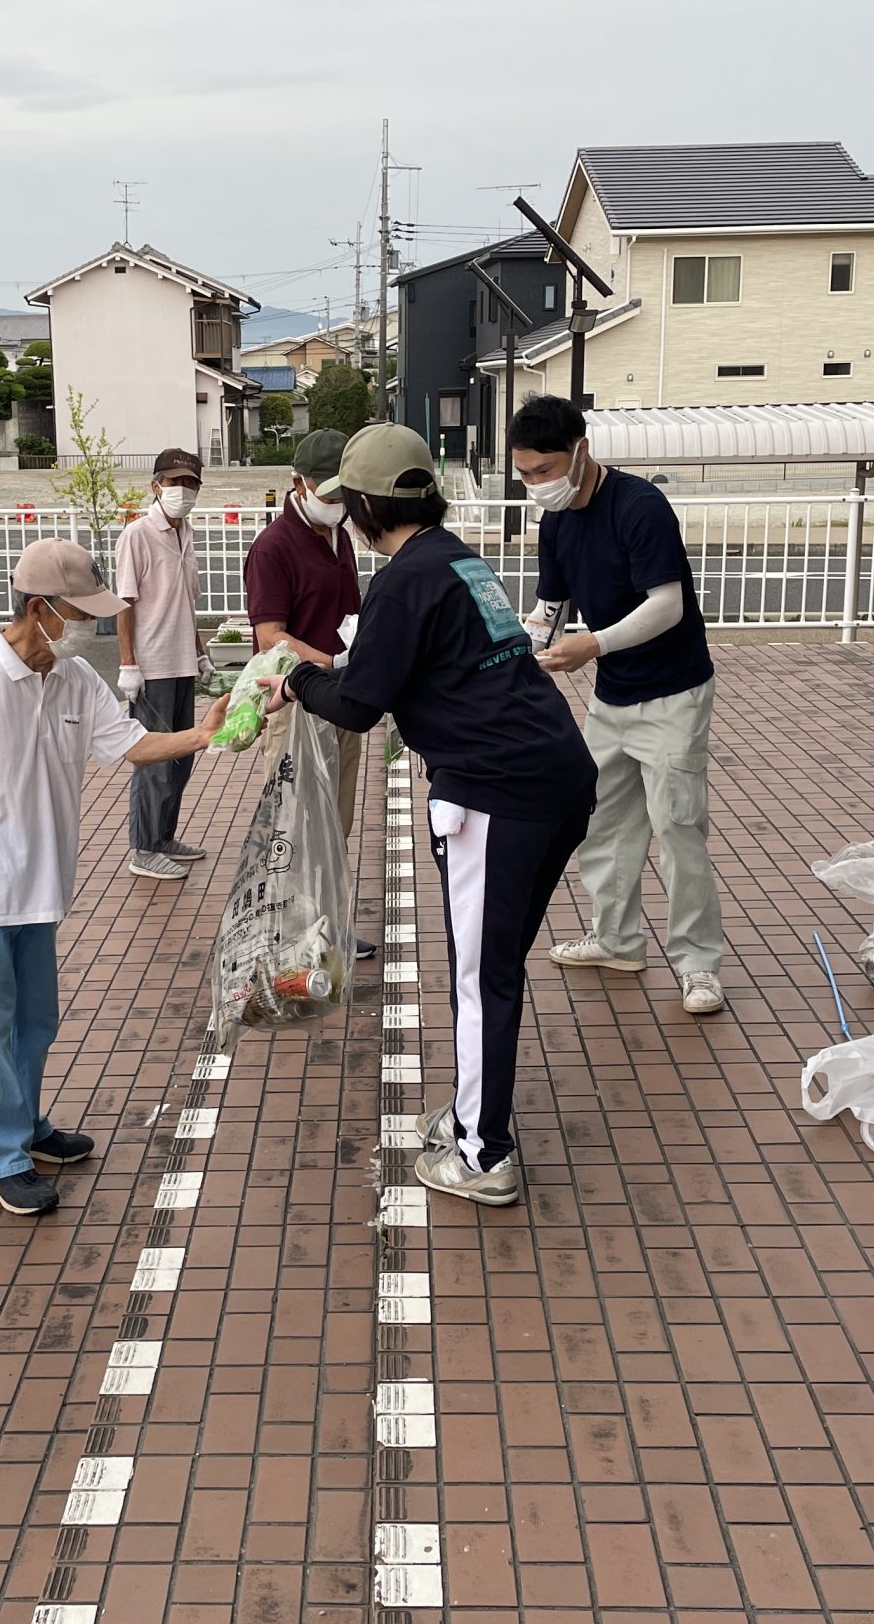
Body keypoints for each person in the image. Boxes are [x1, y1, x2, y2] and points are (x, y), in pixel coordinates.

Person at [277, 425, 596, 1208]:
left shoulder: (403, 579)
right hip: (557, 774)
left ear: (362, 504)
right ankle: (468, 1114)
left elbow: (357, 703)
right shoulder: (454, 558)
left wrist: (293, 680)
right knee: (495, 965)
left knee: (481, 978)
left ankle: (484, 1155)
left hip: (495, 792)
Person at [0, 540, 234, 1217]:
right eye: (77, 613)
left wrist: (203, 736)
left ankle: (26, 1127)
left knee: (35, 1022)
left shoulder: (74, 679)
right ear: (37, 609)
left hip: (44, 886)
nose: (90, 626)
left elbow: (134, 746)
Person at [509, 395, 727, 1017]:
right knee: (602, 824)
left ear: (581, 451)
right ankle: (617, 940)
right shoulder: (556, 522)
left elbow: (668, 604)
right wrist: (517, 649)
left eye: (545, 470)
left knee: (678, 829)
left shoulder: (640, 507)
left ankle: (699, 964)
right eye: (525, 474)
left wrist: (593, 644)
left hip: (673, 693)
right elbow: (548, 612)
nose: (536, 485)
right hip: (612, 695)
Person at [242, 426, 376, 959]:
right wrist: (330, 660)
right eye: (330, 494)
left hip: (341, 696)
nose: (339, 505)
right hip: (296, 701)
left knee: (335, 821)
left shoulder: (339, 535)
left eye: (346, 495)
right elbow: (269, 636)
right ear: (298, 483)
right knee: (295, 824)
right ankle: (292, 936)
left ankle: (326, 926)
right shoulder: (274, 548)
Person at [115, 448, 211, 882]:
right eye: (174, 483)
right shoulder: (137, 535)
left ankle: (165, 836)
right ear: (155, 486)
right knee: (153, 761)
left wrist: (200, 651)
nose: (182, 491)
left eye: (190, 484)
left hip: (182, 662)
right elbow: (125, 605)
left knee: (182, 756)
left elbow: (186, 603)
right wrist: (128, 664)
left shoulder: (186, 533)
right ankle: (144, 847)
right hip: (151, 666)